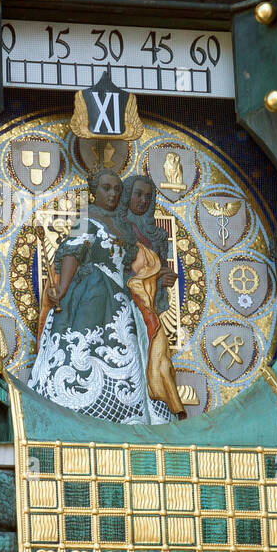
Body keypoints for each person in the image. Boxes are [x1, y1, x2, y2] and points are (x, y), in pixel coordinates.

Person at [29, 169, 169, 425]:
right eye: (107, 188)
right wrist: (61, 289)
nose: (113, 193)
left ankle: (121, 407)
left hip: (120, 296)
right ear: (94, 191)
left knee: (127, 348)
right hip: (91, 291)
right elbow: (72, 254)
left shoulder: (123, 225)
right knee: (83, 346)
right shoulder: (86, 218)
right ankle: (77, 397)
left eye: (117, 189)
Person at [116, 175, 187, 420]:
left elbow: (157, 272)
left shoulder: (157, 236)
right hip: (121, 308)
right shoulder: (117, 228)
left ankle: (155, 408)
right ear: (126, 195)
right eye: (138, 194)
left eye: (148, 196)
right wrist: (153, 278)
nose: (143, 200)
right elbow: (112, 271)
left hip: (148, 308)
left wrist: (163, 279)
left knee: (153, 356)